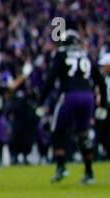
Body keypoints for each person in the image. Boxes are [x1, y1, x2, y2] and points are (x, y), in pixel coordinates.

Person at [41, 31, 97, 185]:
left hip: (70, 95)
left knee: (57, 130)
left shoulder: (61, 54)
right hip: (88, 96)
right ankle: (89, 172)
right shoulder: (85, 54)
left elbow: (51, 79)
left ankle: (61, 167)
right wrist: (103, 103)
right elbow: (98, 77)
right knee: (83, 135)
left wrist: (41, 100)